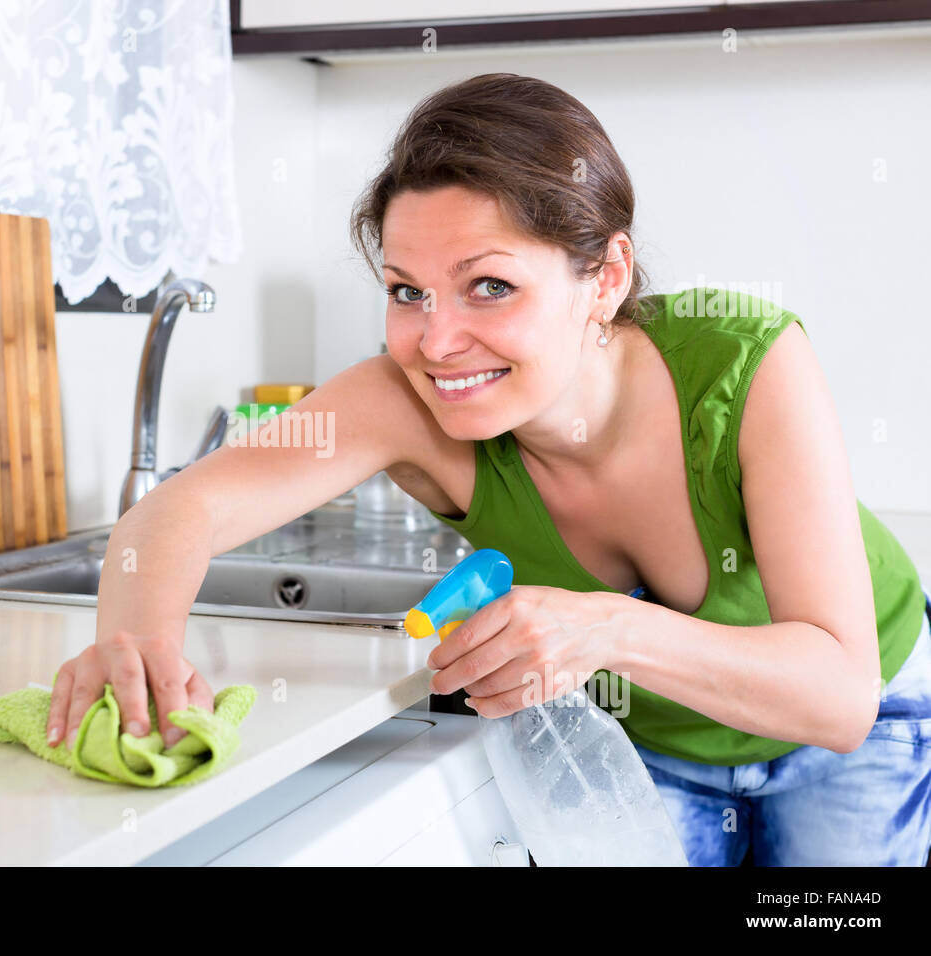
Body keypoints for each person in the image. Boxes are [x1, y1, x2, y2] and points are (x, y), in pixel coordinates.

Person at [45, 72, 931, 866]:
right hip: (657, 745)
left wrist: (605, 632)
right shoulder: (405, 400)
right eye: (406, 291)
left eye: (490, 286)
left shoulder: (745, 361)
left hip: (865, 725)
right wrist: (136, 648)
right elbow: (178, 515)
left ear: (606, 276)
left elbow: (839, 694)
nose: (435, 341)